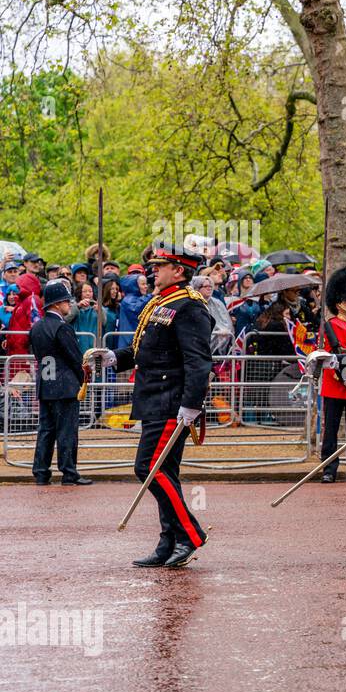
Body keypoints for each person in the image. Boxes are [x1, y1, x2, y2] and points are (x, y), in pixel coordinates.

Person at [84, 241, 214, 568]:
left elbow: (198, 362)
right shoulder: (162, 301)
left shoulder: (190, 306)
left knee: (147, 467)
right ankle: (168, 540)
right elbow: (144, 348)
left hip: (172, 400)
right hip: (154, 397)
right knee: (163, 471)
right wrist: (115, 357)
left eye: (160, 266)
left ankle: (189, 534)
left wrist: (191, 405)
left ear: (179, 271)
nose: (153, 271)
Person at [31, 280, 91, 486]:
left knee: (46, 431)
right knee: (67, 431)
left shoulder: (37, 327)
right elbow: (75, 358)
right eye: (66, 301)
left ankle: (40, 471)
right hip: (65, 386)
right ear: (57, 304)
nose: (69, 305)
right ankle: (69, 472)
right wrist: (85, 378)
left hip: (45, 384)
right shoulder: (62, 327)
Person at [317, 266, 346, 483]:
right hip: (334, 383)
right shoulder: (330, 326)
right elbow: (325, 353)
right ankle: (329, 467)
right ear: (338, 302)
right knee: (331, 429)